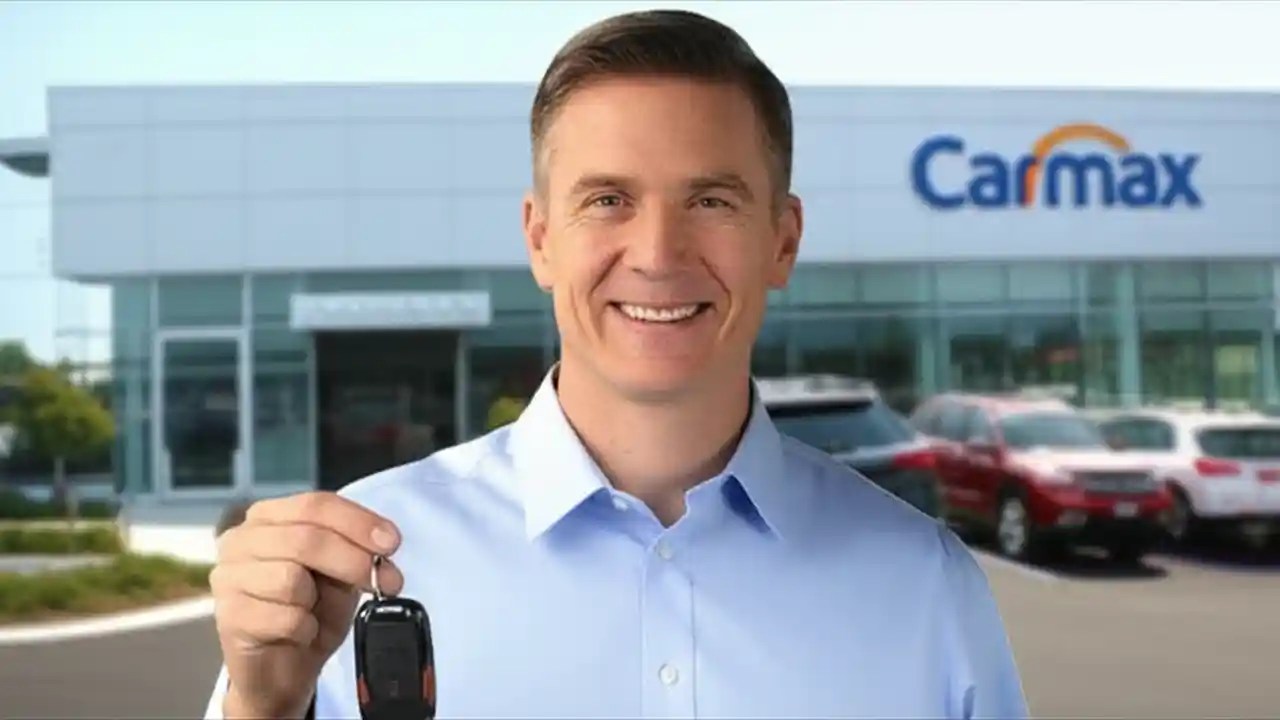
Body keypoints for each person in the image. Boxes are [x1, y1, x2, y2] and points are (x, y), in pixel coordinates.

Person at [203, 9, 1029, 719]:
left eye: (711, 201)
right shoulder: (361, 569)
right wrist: (263, 709)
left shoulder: (927, 587)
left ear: (783, 241)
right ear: (540, 239)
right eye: (608, 200)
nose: (658, 254)